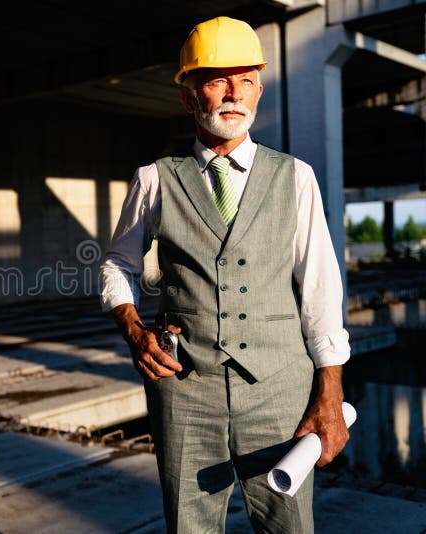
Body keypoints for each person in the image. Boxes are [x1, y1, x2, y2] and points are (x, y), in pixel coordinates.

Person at [99, 16, 351, 533]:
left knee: (288, 524)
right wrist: (133, 327)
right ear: (188, 96)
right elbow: (118, 263)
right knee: (189, 525)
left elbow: (320, 290)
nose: (233, 94)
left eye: (245, 81)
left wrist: (330, 391)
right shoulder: (154, 179)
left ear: (259, 90)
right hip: (185, 389)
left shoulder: (296, 177)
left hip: (279, 387)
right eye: (217, 81)